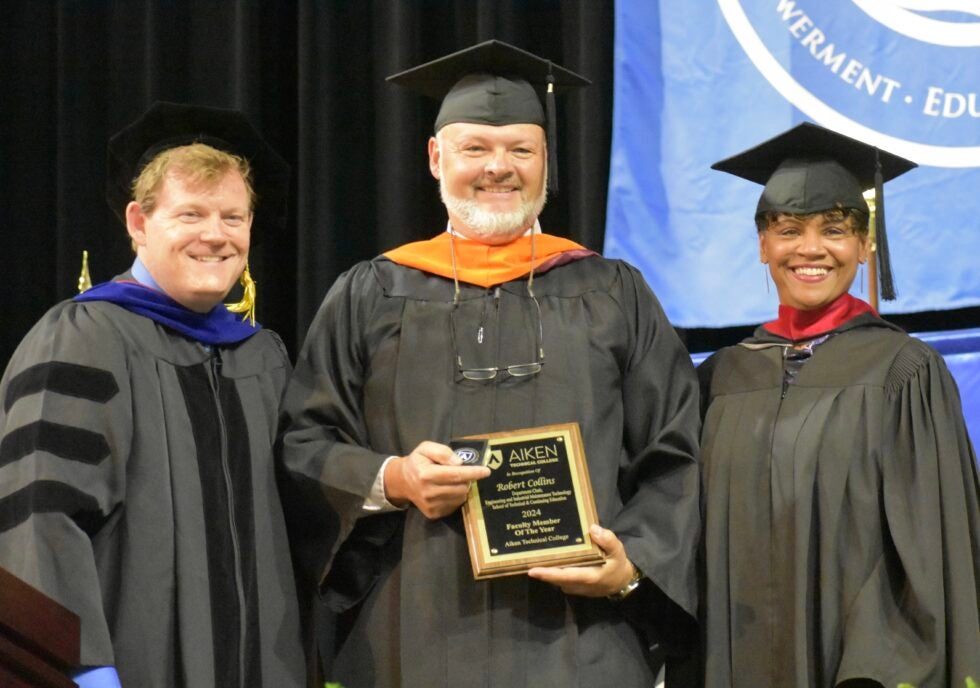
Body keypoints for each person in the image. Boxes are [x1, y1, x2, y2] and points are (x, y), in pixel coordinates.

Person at [278, 40, 701, 687]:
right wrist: (393, 478)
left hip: (581, 643)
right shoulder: (371, 294)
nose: (498, 167)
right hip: (414, 634)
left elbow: (675, 448)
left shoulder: (613, 292)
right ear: (435, 157)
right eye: (476, 147)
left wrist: (633, 565)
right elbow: (304, 444)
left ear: (546, 162)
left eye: (520, 150)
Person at [0, 102, 306, 688]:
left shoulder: (262, 358)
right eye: (190, 214)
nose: (214, 235)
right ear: (139, 223)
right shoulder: (85, 336)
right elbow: (40, 513)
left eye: (232, 217)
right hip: (127, 665)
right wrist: (80, 667)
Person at [699, 122, 980, 687]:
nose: (810, 248)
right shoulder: (720, 378)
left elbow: (933, 551)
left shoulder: (905, 372)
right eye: (788, 230)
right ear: (762, 246)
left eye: (834, 229)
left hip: (858, 670)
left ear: (865, 244)